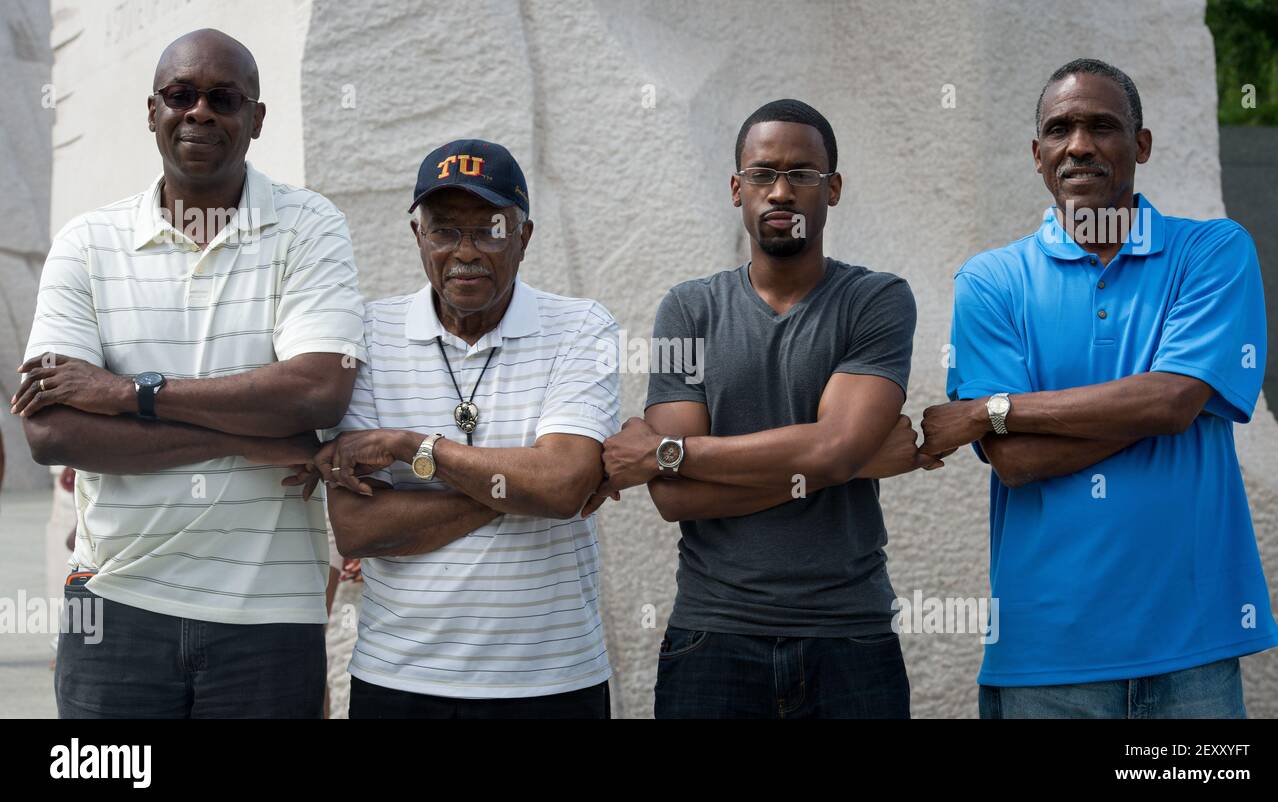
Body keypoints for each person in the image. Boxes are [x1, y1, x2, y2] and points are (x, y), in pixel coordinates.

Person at [14, 29, 366, 718]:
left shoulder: (309, 227)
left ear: (256, 119)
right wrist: (246, 439)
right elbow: (52, 433)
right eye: (181, 95)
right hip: (116, 606)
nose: (200, 111)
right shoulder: (87, 244)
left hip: (269, 616)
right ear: (152, 111)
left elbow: (319, 388)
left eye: (223, 98)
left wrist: (128, 395)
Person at [921, 58, 1278, 718]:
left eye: (1102, 126)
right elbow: (1017, 460)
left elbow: (1173, 403)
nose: (1079, 145)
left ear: (1140, 145)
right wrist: (1152, 401)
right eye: (1060, 129)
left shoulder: (1212, 252)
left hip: (1192, 649)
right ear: (1038, 155)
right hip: (1045, 659)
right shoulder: (991, 282)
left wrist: (989, 411)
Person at [600, 99, 936, 719]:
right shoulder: (690, 310)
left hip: (850, 636)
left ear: (832, 188)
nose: (781, 191)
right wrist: (851, 459)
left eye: (802, 174)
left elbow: (831, 450)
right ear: (736, 188)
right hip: (712, 636)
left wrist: (670, 453)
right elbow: (674, 497)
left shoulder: (876, 300)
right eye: (762, 174)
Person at [301, 139, 619, 719]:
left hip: (553, 681)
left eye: (490, 229)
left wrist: (409, 448)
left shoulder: (580, 327)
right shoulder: (366, 336)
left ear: (523, 238)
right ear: (419, 236)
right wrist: (535, 486)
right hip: (400, 680)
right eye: (445, 231)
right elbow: (358, 528)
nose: (466, 251)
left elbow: (563, 485)